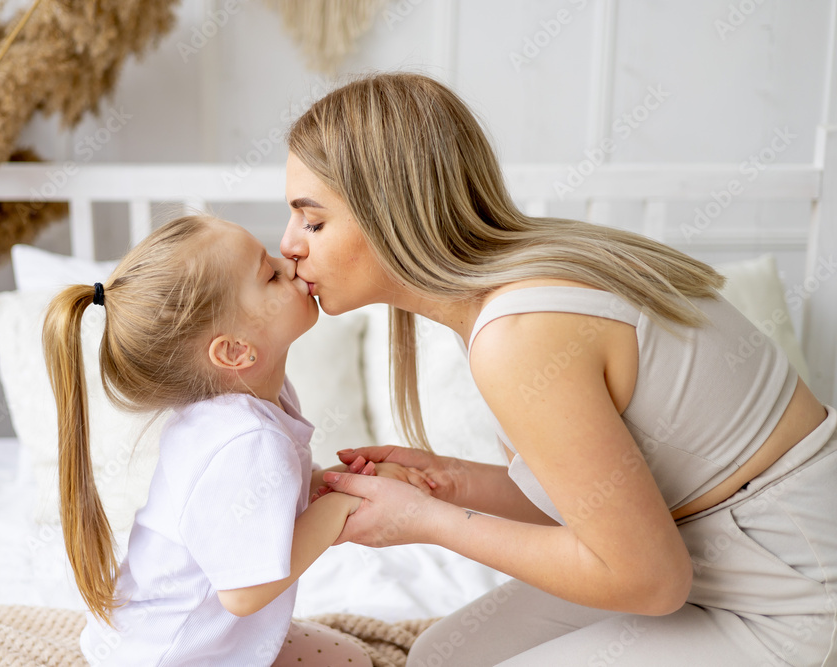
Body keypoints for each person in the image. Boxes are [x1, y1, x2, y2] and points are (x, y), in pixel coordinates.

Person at [282, 72, 837, 665]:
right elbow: (603, 504)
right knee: (439, 656)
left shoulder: (522, 334)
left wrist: (431, 521)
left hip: (793, 592)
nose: (289, 245)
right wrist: (449, 480)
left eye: (313, 221)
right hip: (702, 556)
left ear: (393, 213)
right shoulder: (522, 285)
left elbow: (651, 580)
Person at [41, 214, 432, 666]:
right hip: (172, 657)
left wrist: (341, 482)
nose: (288, 261)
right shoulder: (247, 440)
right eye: (269, 274)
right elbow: (244, 593)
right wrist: (340, 506)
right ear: (234, 350)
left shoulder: (253, 408)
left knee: (351, 657)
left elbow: (266, 499)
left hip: (167, 641)